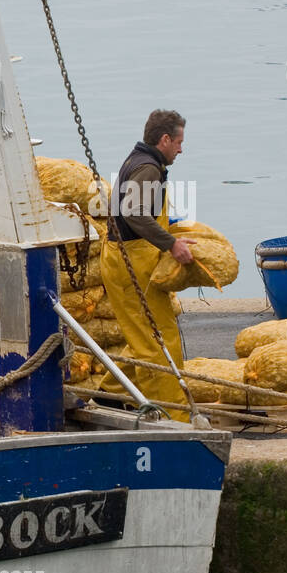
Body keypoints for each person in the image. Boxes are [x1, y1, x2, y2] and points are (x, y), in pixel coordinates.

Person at [98, 109, 196, 419]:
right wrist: (172, 244)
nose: (181, 148)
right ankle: (174, 417)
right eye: (179, 142)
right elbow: (134, 213)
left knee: (140, 336)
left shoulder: (136, 159)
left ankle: (108, 396)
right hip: (132, 263)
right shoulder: (148, 169)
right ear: (165, 139)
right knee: (159, 340)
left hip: (121, 258)